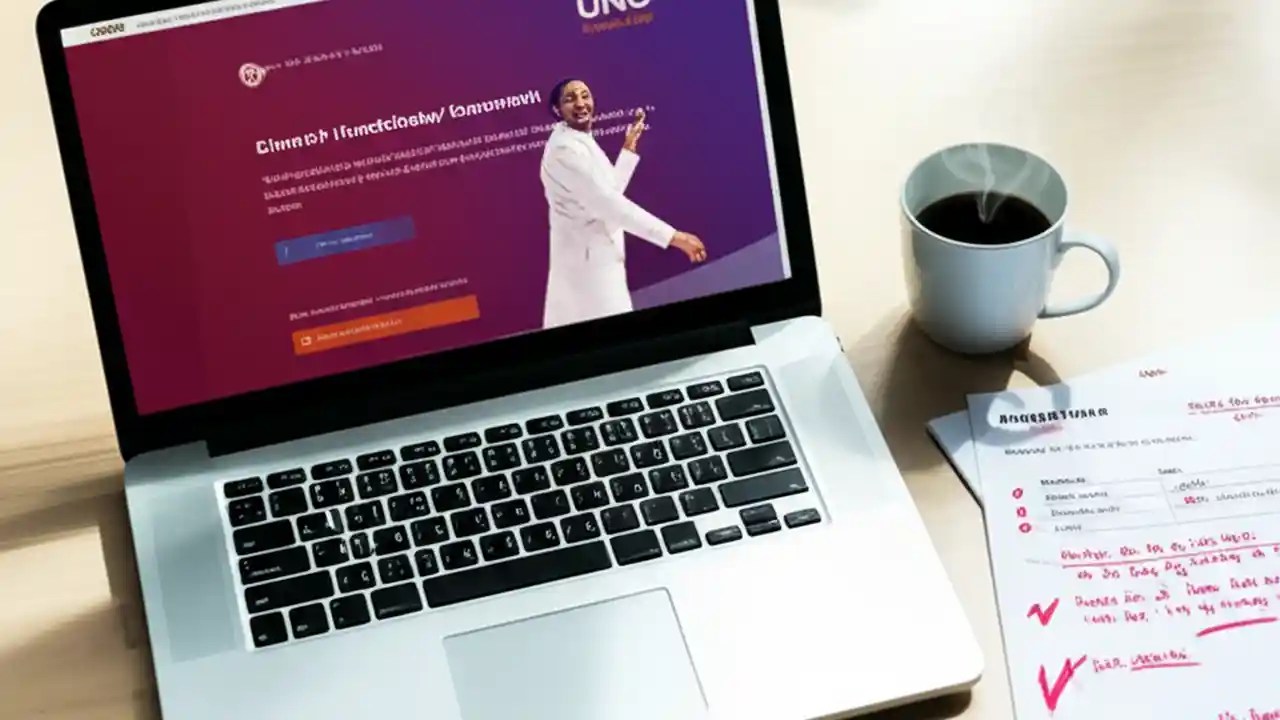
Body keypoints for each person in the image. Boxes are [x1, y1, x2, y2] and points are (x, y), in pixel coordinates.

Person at [539, 78, 707, 329]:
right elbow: (607, 203)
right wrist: (672, 236)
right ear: (557, 110)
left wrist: (628, 149)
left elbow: (608, 194)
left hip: (598, 262)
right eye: (570, 98)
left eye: (585, 95)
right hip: (589, 273)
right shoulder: (565, 150)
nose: (581, 103)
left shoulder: (578, 140)